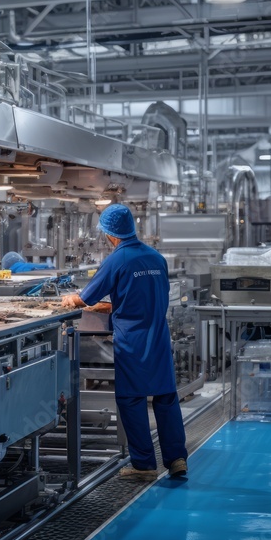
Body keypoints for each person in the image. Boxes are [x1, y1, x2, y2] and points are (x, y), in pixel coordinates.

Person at [60, 203, 187, 481]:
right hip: (158, 337)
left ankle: (144, 465)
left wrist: (72, 300)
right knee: (166, 398)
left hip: (132, 340)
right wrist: (111, 306)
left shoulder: (117, 259)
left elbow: (86, 298)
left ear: (110, 234)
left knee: (131, 400)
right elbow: (144, 296)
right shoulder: (156, 258)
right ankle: (177, 459)